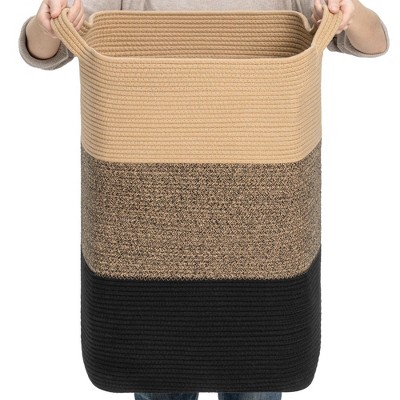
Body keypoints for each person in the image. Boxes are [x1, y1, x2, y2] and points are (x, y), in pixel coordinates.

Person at [18, 1, 389, 400]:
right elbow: (44, 51)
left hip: (260, 236)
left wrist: (351, 13)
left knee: (260, 372)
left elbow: (374, 41)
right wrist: (47, 25)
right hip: (150, 235)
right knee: (158, 372)